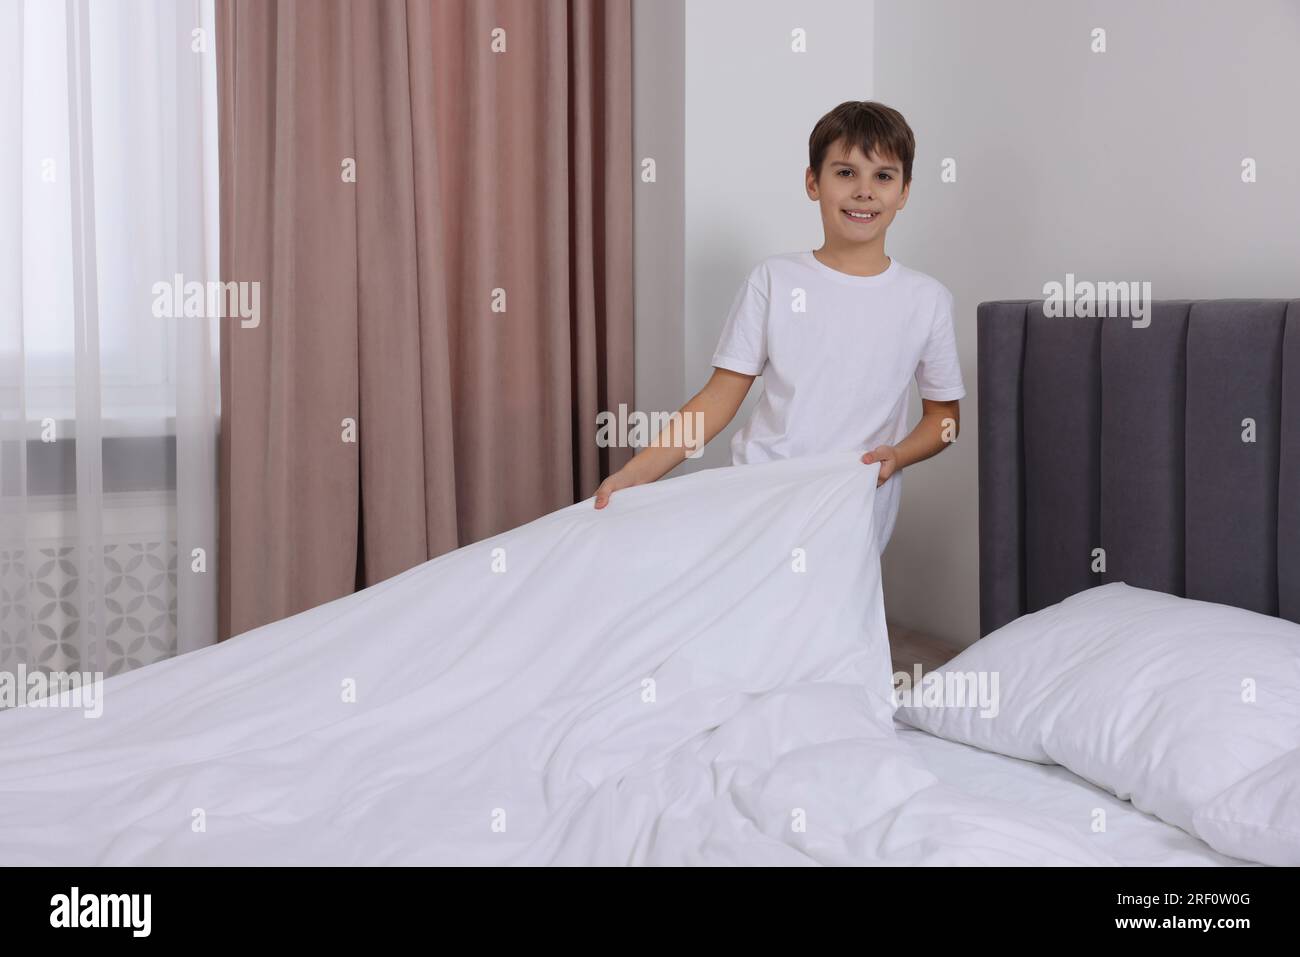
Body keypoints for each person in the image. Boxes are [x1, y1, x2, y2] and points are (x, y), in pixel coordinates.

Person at [593, 100, 965, 555]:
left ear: (904, 192)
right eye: (845, 173)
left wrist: (898, 455)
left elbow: (944, 418)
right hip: (757, 497)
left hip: (850, 507)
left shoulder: (926, 300)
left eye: (883, 177)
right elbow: (718, 398)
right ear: (813, 182)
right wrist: (637, 473)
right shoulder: (774, 280)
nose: (864, 191)